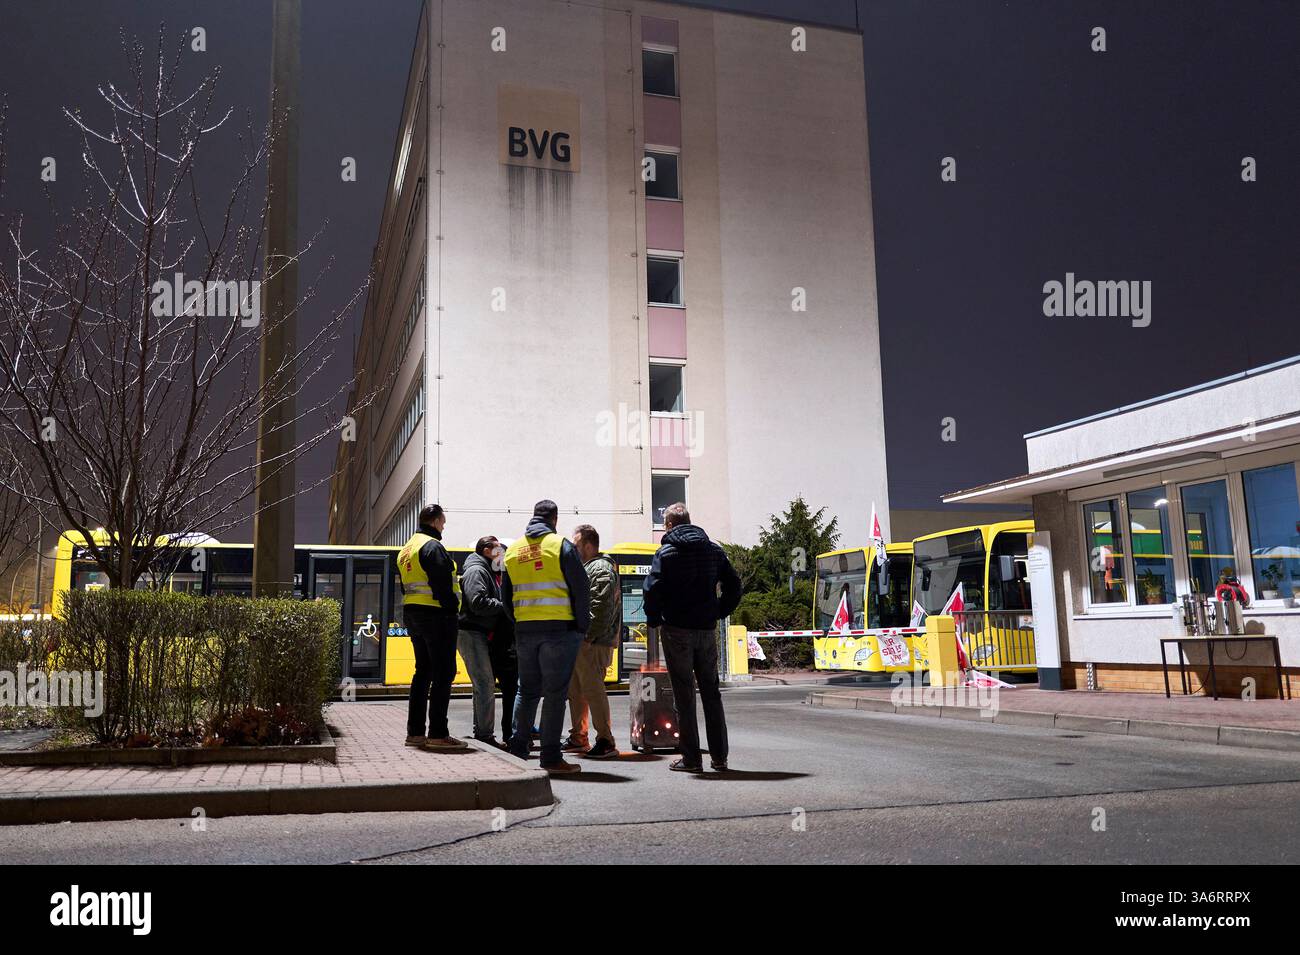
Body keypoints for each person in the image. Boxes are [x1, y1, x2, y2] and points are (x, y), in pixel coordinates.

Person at [643, 502, 741, 773]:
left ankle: (691, 759)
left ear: (670, 525)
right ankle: (719, 758)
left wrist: (655, 619)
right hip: (707, 630)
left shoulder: (666, 553)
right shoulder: (713, 551)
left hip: (676, 630)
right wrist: (719, 611)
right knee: (711, 693)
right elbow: (734, 584)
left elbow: (651, 589)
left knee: (684, 695)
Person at [501, 500, 590, 776]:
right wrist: (581, 626)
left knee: (526, 690)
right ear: (554, 519)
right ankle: (550, 758)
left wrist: (518, 622)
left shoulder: (513, 551)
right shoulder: (560, 546)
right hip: (559, 631)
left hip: (525, 630)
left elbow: (505, 597)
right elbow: (581, 588)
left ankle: (517, 751)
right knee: (554, 694)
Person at [399, 504, 465, 752]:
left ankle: (415, 733)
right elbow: (442, 586)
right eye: (443, 522)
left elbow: (406, 587)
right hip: (436, 615)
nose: (444, 526)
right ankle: (438, 733)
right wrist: (452, 609)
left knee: (423, 672)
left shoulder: (406, 549)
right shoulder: (432, 546)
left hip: (413, 614)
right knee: (444, 673)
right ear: (436, 521)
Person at [563, 524, 622, 760]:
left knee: (592, 690)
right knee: (577, 690)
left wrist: (588, 636)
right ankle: (579, 736)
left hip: (593, 642)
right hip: (586, 640)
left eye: (576, 544)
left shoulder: (600, 568)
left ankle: (605, 740)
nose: (573, 549)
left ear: (588, 545)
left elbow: (600, 607)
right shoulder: (589, 567)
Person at [458, 535, 510, 748]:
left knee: (482, 685)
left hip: (476, 632)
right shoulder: (477, 571)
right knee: (486, 684)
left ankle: (482, 731)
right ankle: (485, 735)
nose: (502, 555)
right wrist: (505, 606)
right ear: (487, 550)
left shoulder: (484, 569)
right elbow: (477, 602)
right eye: (499, 550)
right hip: (472, 632)